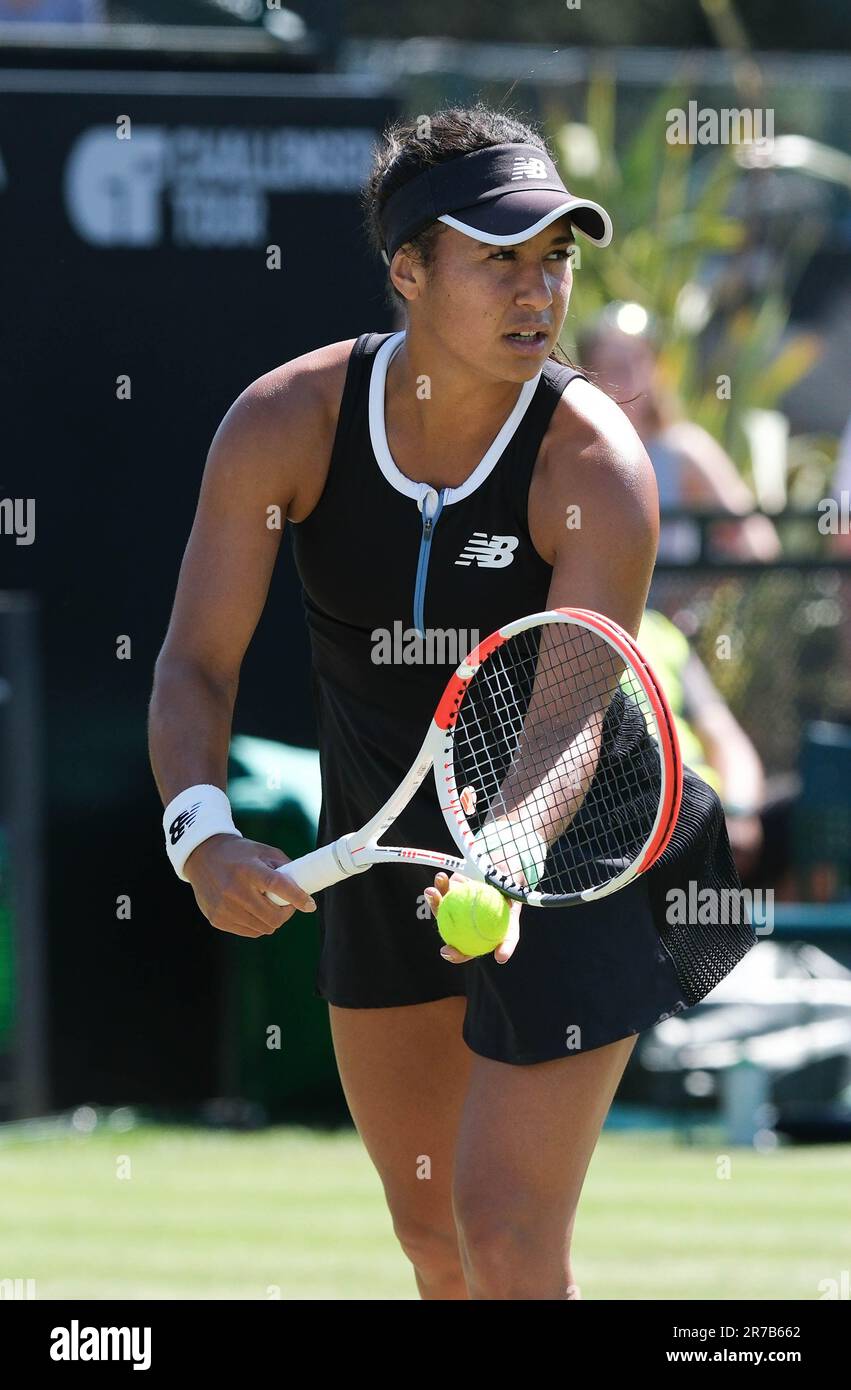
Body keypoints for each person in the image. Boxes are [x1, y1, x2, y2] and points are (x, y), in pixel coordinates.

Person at [148, 104, 756, 1301]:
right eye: (499, 259)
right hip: (380, 836)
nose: (538, 292)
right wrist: (201, 834)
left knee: (507, 1236)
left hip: (581, 838)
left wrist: (505, 858)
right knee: (433, 1243)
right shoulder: (285, 424)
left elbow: (568, 715)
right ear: (407, 271)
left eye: (555, 260)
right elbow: (192, 666)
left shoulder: (594, 466)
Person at [577, 303, 781, 564]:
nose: (629, 378)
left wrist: (706, 587)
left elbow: (758, 542)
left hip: (666, 606)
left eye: (638, 362)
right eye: (614, 367)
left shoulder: (683, 449)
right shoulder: (569, 453)